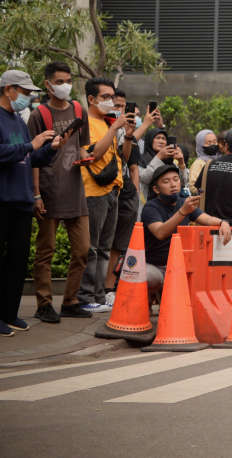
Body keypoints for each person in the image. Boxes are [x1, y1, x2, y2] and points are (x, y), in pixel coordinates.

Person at [0, 70, 63, 335]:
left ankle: (8, 313)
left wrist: (50, 148)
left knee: (18, 259)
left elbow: (29, 158)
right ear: (8, 89)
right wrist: (31, 145)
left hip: (20, 199)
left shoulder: (18, 121)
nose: (29, 97)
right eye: (24, 92)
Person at [27, 62, 91, 323]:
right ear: (48, 85)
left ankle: (70, 300)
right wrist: (36, 194)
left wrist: (87, 157)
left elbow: (83, 146)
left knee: (83, 249)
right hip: (49, 191)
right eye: (60, 81)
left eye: (68, 80)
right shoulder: (38, 115)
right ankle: (43, 304)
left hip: (76, 190)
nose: (66, 86)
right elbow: (31, 157)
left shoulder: (79, 109)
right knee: (46, 251)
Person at [142, 165, 232, 301]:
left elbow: (207, 219)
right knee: (150, 278)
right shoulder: (151, 207)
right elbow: (160, 233)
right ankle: (151, 295)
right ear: (156, 189)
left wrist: (223, 222)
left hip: (178, 264)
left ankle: (166, 295)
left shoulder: (184, 203)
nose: (173, 184)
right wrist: (183, 212)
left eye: (176, 179)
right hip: (154, 264)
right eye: (166, 182)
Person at [78, 77, 127, 313]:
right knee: (92, 247)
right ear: (91, 99)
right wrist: (115, 128)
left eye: (112, 97)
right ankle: (85, 296)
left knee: (104, 248)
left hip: (112, 190)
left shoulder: (106, 123)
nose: (110, 102)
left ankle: (97, 296)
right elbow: (93, 155)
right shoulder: (85, 122)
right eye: (106, 97)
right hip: (93, 191)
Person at [104, 88, 150, 306]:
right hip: (103, 188)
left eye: (123, 106)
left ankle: (108, 289)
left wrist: (132, 190)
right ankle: (95, 289)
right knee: (100, 242)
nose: (120, 110)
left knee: (118, 244)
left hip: (125, 192)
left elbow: (130, 161)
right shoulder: (100, 126)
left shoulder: (127, 132)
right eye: (115, 105)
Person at [138, 130, 187, 199]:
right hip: (148, 204)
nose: (161, 141)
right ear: (150, 140)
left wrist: (181, 162)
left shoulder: (169, 161)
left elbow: (182, 183)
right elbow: (145, 178)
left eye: (164, 139)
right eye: (158, 138)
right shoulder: (141, 158)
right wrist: (159, 157)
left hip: (171, 204)